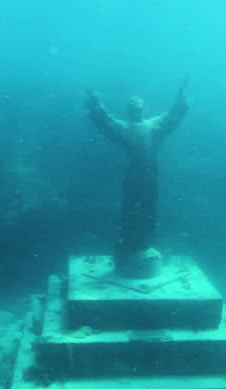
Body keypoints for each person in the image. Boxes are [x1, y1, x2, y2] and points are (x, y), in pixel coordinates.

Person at [86, 76, 189, 278]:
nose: (136, 104)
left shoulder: (155, 125)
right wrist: (97, 103)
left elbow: (173, 115)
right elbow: (105, 120)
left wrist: (180, 98)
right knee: (131, 211)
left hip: (150, 176)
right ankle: (129, 248)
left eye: (139, 102)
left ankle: (144, 245)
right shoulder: (124, 128)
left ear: (145, 108)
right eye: (132, 103)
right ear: (128, 110)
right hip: (134, 177)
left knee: (150, 210)